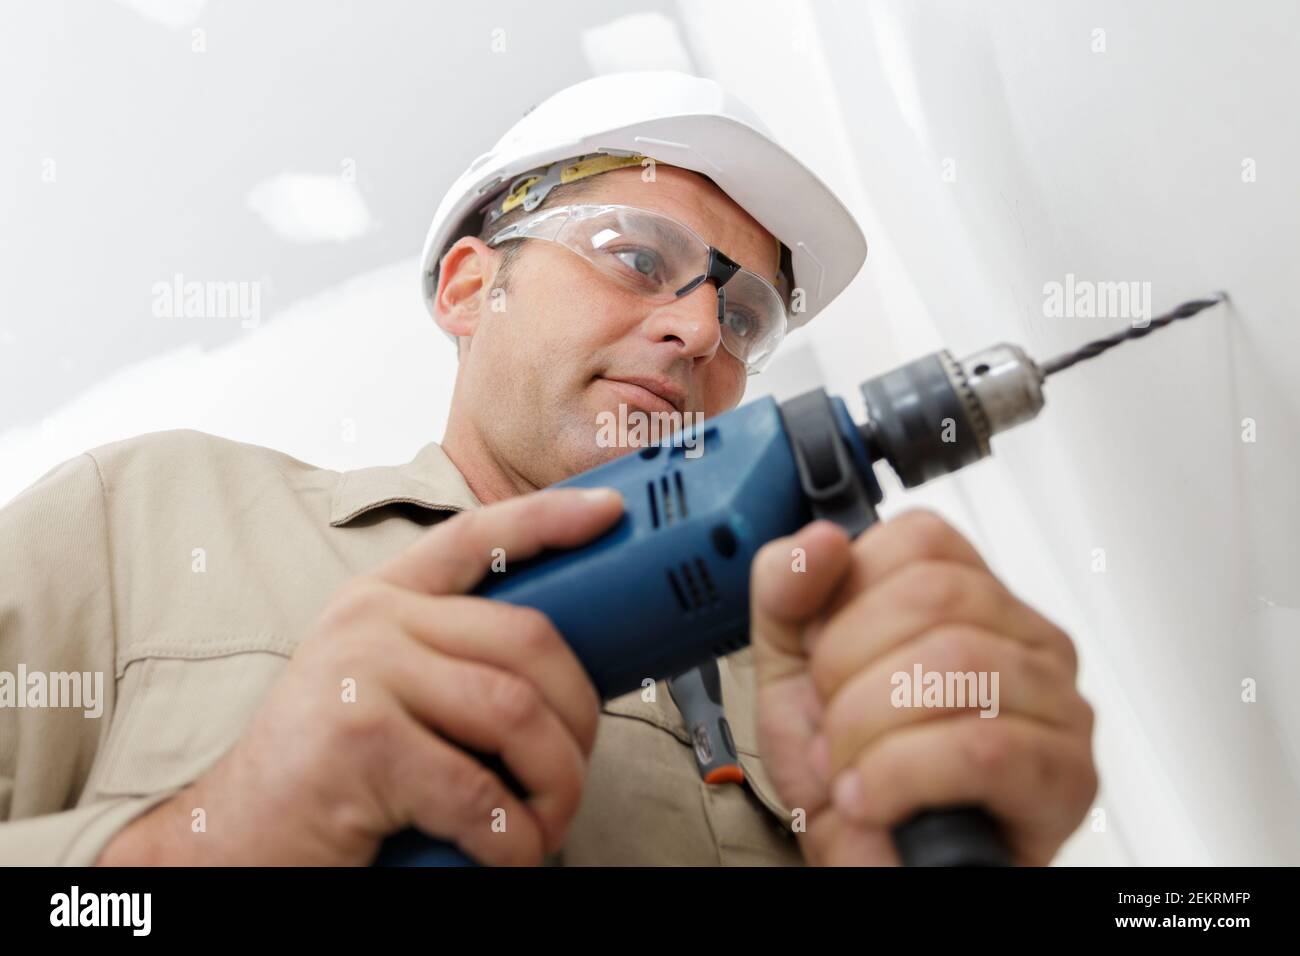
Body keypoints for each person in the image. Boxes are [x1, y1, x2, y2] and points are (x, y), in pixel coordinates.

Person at [0, 71, 1095, 866]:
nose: (700, 331)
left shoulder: (828, 687)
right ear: (472, 287)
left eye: (745, 314)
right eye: (638, 258)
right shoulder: (146, 519)